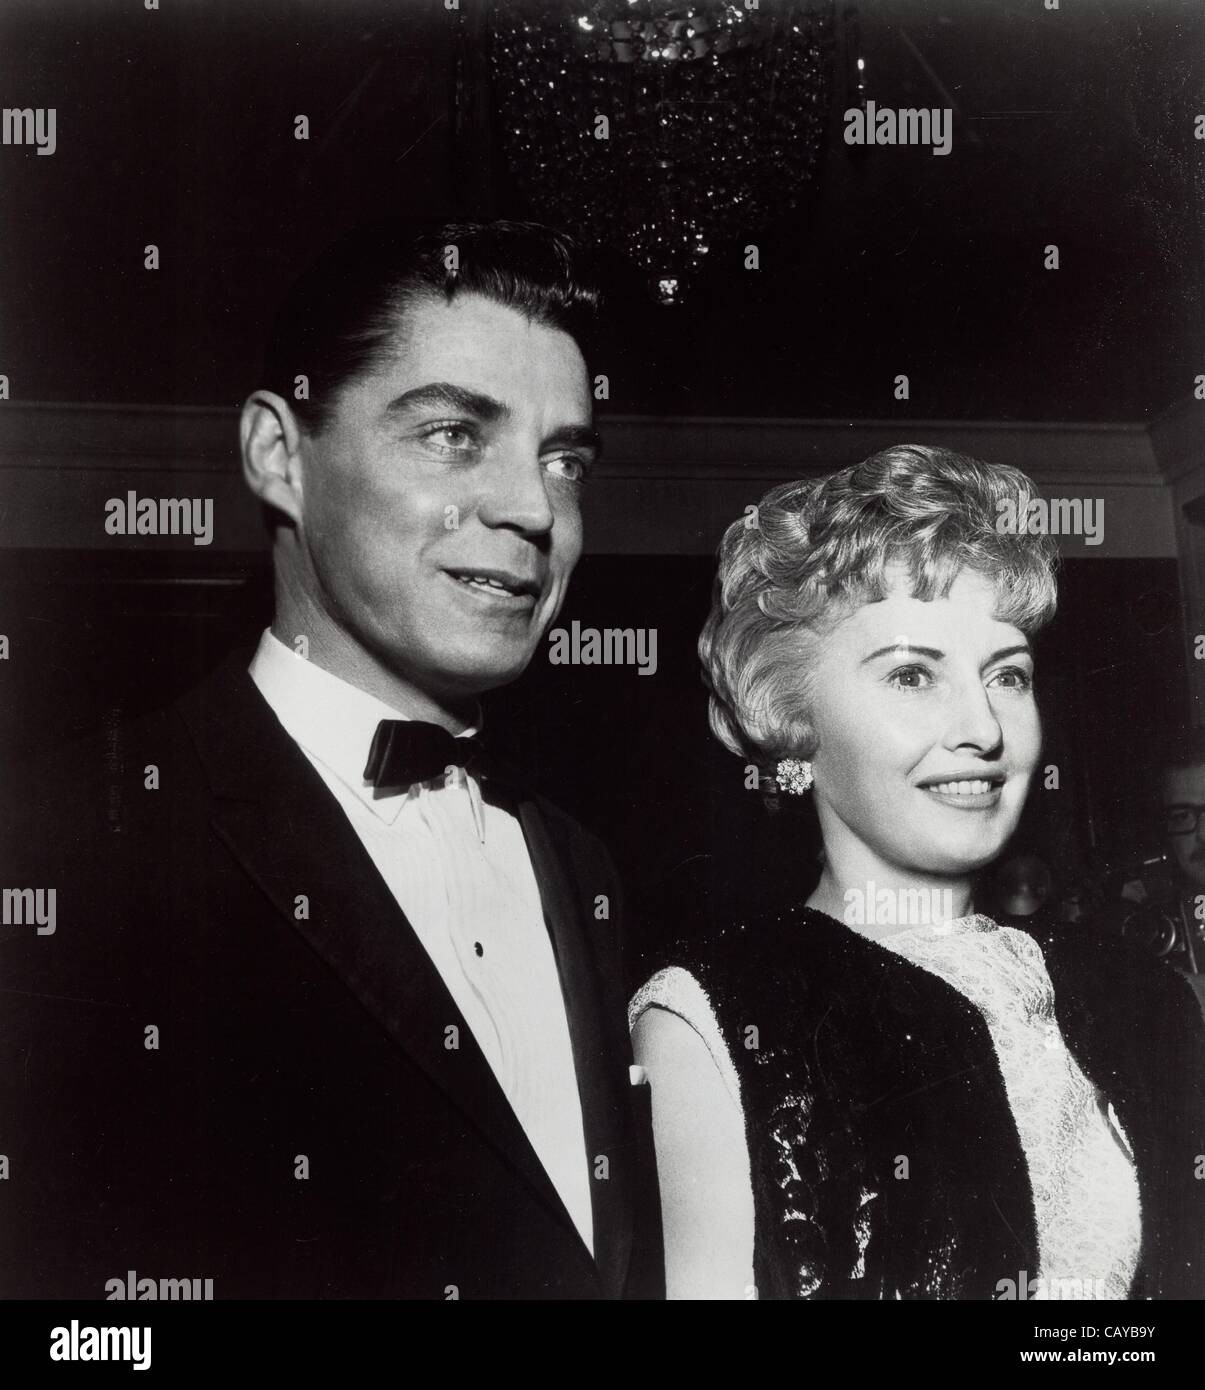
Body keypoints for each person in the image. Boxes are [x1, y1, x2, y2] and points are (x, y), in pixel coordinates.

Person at [0, 220, 663, 1299]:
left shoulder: (580, 860)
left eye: (564, 461)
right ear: (278, 456)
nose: (533, 509)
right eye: (453, 434)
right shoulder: (66, 842)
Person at [631, 445, 1205, 1300]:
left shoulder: (1136, 990)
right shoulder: (714, 1015)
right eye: (911, 675)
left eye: (1006, 675)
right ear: (789, 720)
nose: (982, 727)